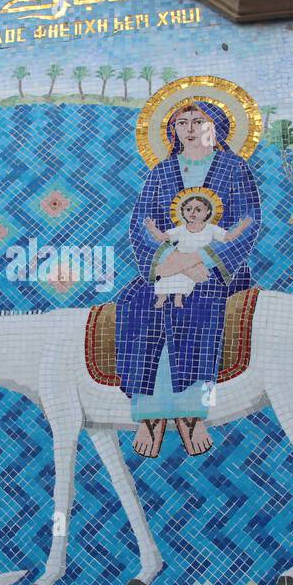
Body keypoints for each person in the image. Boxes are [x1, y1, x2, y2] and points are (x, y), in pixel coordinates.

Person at [115, 101, 262, 458]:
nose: (191, 128)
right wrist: (164, 262)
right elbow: (142, 225)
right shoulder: (161, 172)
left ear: (218, 128)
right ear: (172, 130)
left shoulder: (233, 169)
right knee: (134, 304)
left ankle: (191, 412)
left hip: (212, 269)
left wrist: (202, 259)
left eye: (199, 121)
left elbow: (249, 221)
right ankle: (150, 415)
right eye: (182, 122)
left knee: (197, 309)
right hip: (167, 264)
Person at [145, 189, 252, 308]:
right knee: (165, 276)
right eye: (188, 209)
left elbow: (228, 237)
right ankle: (162, 297)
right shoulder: (181, 229)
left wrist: (241, 227)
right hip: (178, 258)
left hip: (196, 261)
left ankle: (178, 298)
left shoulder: (211, 229)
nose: (193, 212)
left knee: (184, 277)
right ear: (183, 212)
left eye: (198, 209)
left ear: (208, 212)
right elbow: (163, 237)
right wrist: (152, 229)